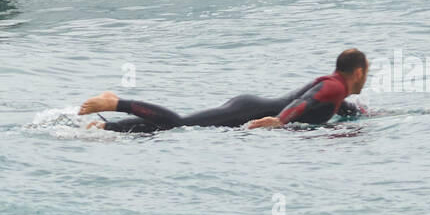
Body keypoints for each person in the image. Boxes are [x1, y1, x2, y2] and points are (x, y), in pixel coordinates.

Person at [78, 49, 368, 133]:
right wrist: (280, 120)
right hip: (249, 111)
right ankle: (118, 103)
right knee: (180, 124)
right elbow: (306, 102)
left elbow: (341, 109)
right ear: (358, 72)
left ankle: (107, 129)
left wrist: (370, 115)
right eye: (367, 71)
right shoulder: (332, 86)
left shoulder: (337, 90)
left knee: (171, 127)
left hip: (250, 108)